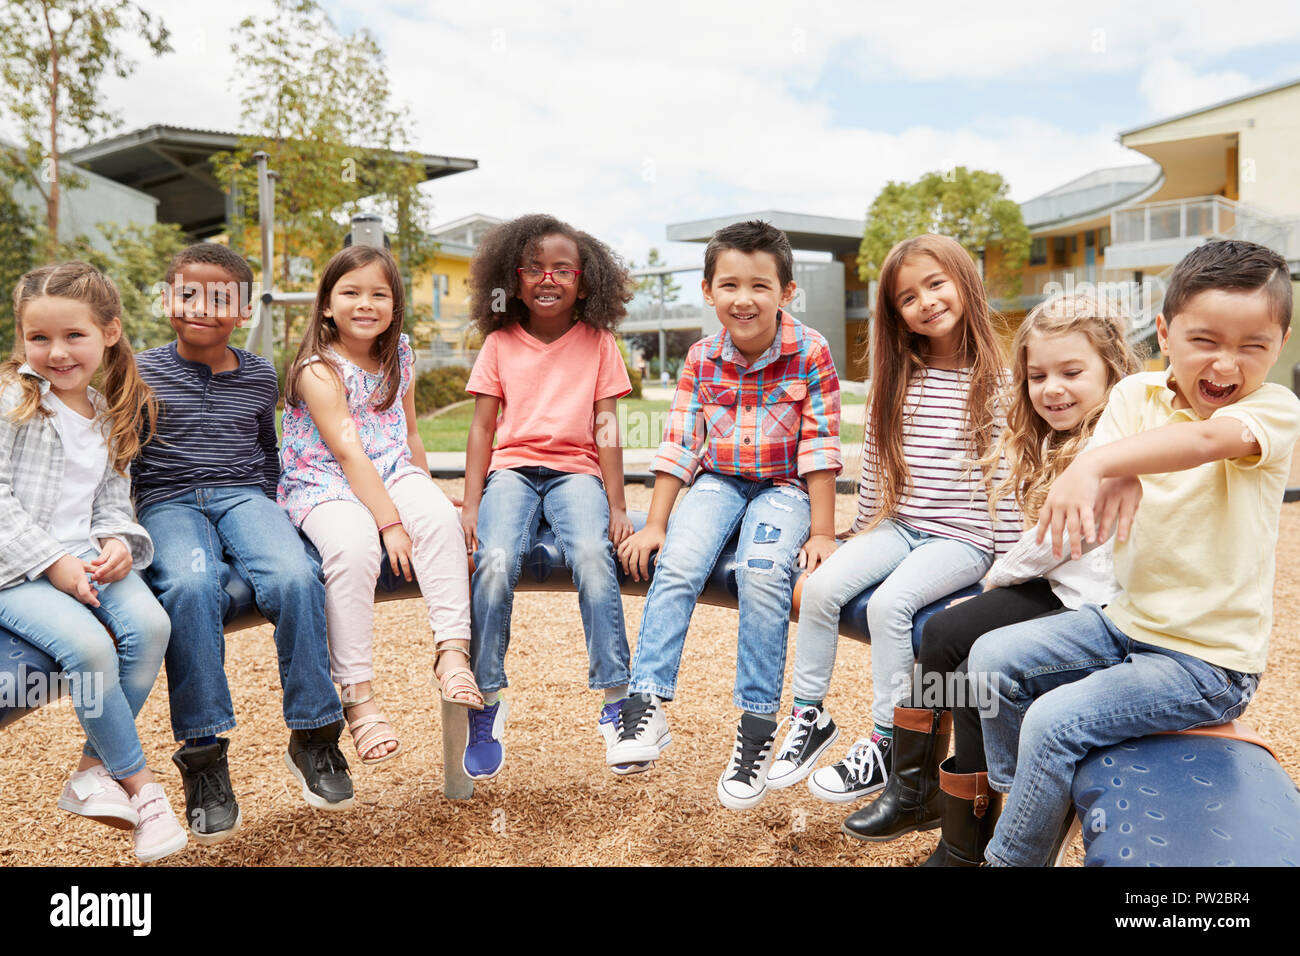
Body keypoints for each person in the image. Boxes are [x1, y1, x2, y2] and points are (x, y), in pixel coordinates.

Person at [969, 239, 1299, 866]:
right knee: (990, 660)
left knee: (1053, 721)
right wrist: (1104, 470)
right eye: (1205, 340)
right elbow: (1111, 477)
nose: (1227, 365)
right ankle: (1032, 804)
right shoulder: (1135, 398)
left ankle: (1011, 859)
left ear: (1279, 344)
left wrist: (1098, 463)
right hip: (1126, 621)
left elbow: (1204, 441)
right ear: (1165, 332)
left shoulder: (1273, 410)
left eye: (1252, 346)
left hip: (1206, 663)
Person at [765, 234, 1019, 840]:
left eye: (936, 284)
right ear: (895, 312)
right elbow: (879, 463)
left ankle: (885, 738)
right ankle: (808, 716)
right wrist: (859, 530)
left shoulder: (999, 383)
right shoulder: (897, 375)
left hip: (962, 538)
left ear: (965, 283)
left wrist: (1007, 568)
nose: (926, 301)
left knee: (890, 605)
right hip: (900, 526)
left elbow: (1004, 478)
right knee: (822, 588)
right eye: (909, 296)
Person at [608, 219, 842, 810]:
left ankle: (759, 726)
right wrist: (656, 523)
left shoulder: (810, 350)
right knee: (680, 561)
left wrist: (822, 532)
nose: (745, 299)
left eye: (761, 286)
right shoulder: (702, 356)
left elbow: (820, 445)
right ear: (708, 291)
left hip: (783, 488)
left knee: (763, 572)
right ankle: (647, 701)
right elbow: (681, 443)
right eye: (730, 285)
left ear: (786, 292)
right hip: (717, 481)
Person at [907, 292, 1141, 866]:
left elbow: (1060, 538)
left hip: (1091, 605)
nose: (1051, 388)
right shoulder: (1057, 436)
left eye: (1071, 372)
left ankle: (970, 817)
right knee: (944, 641)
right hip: (1062, 585)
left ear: (1113, 371)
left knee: (970, 665)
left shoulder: (1110, 443)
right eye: (1037, 375)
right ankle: (934, 795)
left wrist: (998, 574)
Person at [135, 242, 352, 845]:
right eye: (187, 293)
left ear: (245, 308)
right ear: (166, 300)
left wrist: (266, 519)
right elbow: (122, 455)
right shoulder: (140, 369)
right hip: (168, 503)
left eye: (220, 297)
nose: (202, 306)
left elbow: (268, 450)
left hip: (244, 496)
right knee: (191, 584)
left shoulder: (259, 374)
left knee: (294, 574)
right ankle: (203, 757)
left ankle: (315, 733)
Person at [0, 262, 185, 862]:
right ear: (22, 337)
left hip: (83, 558)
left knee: (153, 625)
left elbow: (110, 499)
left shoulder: (106, 410)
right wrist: (52, 561)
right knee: (89, 647)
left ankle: (89, 772)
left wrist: (117, 544)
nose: (56, 352)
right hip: (15, 568)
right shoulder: (13, 401)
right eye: (39, 337)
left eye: (73, 335)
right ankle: (145, 789)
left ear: (109, 331)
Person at [280, 245, 477, 768]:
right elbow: (346, 451)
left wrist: (423, 495)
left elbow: (409, 432)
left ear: (394, 306)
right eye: (350, 292)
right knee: (354, 547)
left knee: (439, 522)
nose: (364, 303)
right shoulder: (317, 370)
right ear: (326, 304)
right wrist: (391, 523)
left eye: (378, 294)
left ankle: (453, 654)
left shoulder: (400, 354)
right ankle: (359, 697)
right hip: (324, 479)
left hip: (388, 467)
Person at [459, 213, 636, 780]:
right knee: (495, 560)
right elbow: (483, 429)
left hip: (574, 471)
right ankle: (486, 702)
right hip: (511, 471)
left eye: (562, 269)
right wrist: (469, 504)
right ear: (514, 279)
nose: (547, 278)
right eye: (533, 268)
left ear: (585, 282)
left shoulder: (599, 343)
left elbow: (606, 426)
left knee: (591, 554)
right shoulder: (499, 342)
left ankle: (616, 701)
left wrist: (617, 505)